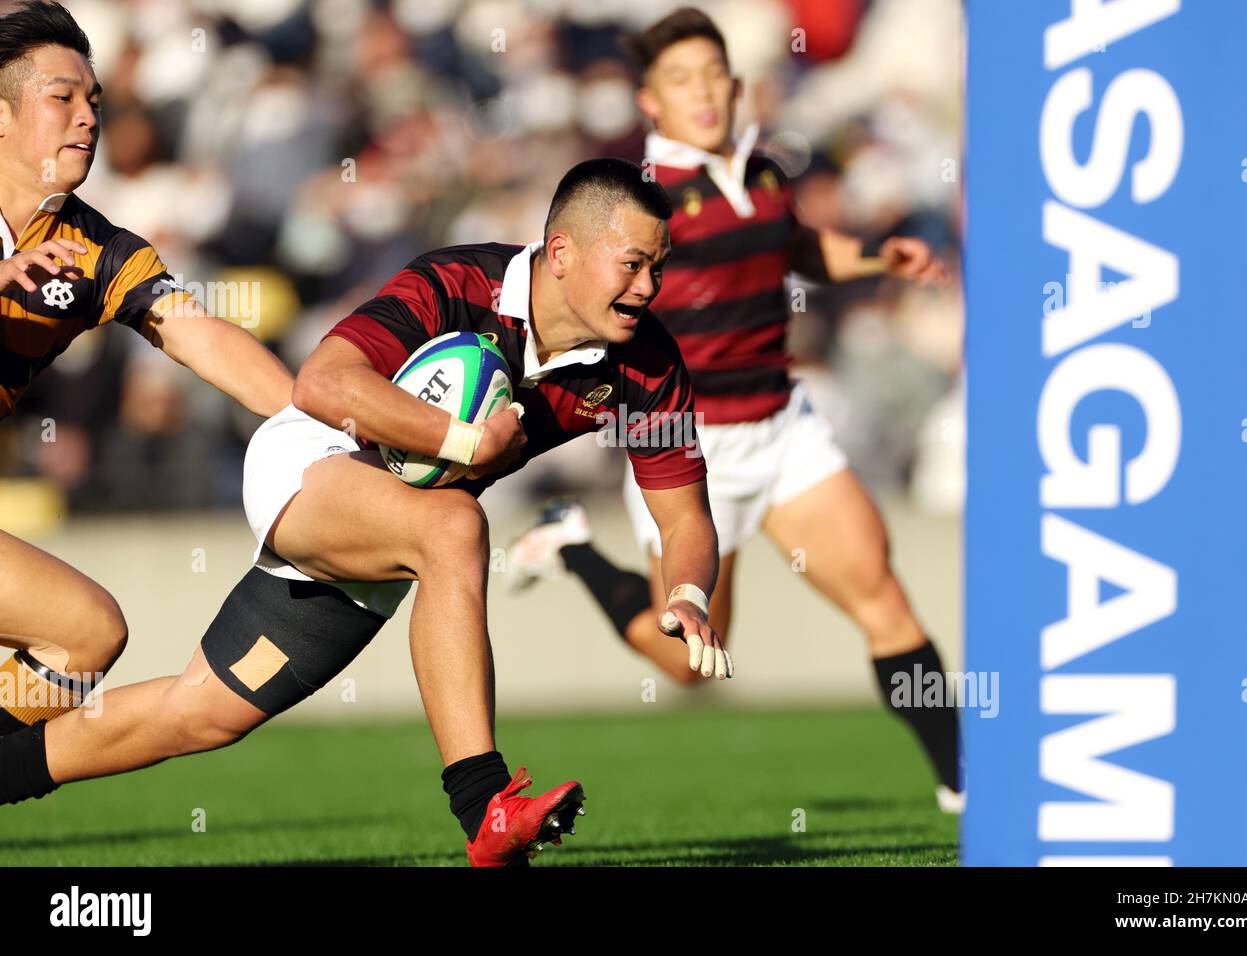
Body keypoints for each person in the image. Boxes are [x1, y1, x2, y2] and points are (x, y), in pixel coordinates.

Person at [1, 157, 729, 866]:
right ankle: (485, 804)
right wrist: (468, 442)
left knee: (202, 712)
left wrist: (691, 592)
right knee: (455, 526)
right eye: (632, 264)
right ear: (562, 251)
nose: (648, 287)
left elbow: (685, 518)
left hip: (398, 522)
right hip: (311, 462)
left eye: (659, 269)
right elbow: (323, 384)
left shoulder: (649, 367)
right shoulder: (459, 280)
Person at [505, 7, 964, 811]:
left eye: (714, 74)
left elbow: (792, 246)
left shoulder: (761, 172)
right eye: (681, 79)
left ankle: (969, 784)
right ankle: (574, 546)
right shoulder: (641, 203)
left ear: (738, 83)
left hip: (784, 429)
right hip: (688, 446)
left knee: (884, 601)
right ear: (650, 101)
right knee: (688, 665)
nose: (704, 92)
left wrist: (872, 255)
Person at [0, 2, 292, 740]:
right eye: (61, 97)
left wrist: (326, 420)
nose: (87, 117)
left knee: (85, 631)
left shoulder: (98, 249)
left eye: (94, 101)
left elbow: (204, 339)